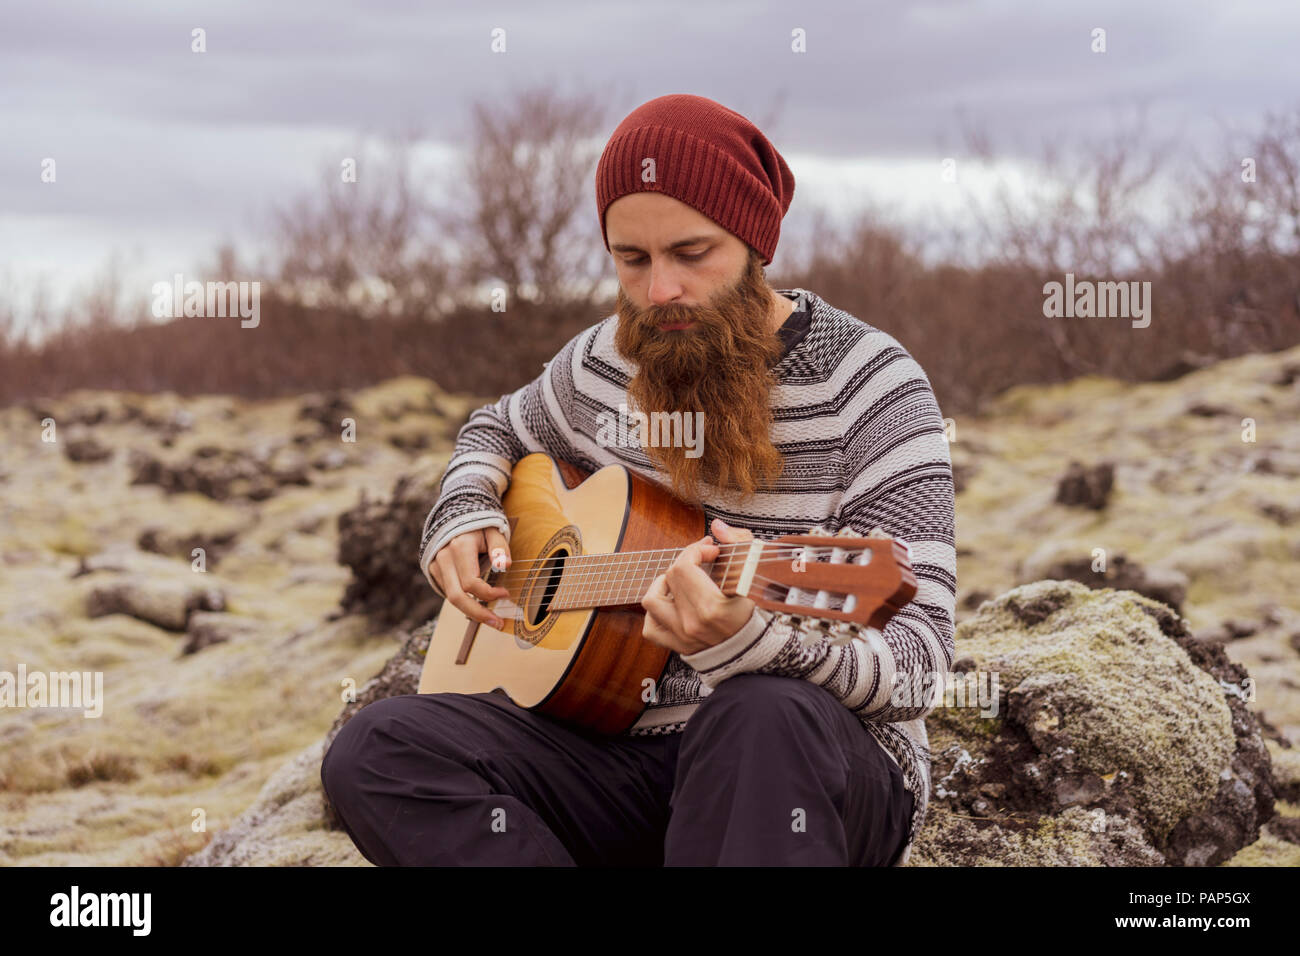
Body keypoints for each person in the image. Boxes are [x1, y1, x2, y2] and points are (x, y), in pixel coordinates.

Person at [321, 93, 956, 866]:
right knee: (377, 746)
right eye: (633, 259)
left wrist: (752, 642)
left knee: (760, 713)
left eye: (692, 254)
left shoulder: (874, 387)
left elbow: (920, 665)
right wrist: (460, 513)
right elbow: (495, 429)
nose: (660, 292)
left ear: (756, 243)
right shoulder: (601, 364)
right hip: (615, 756)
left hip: (804, 772)